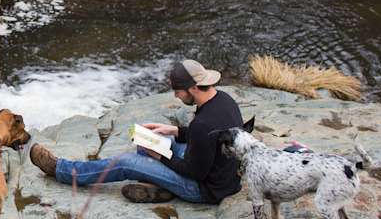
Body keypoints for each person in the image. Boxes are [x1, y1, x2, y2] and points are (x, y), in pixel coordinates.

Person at [28, 59, 244, 204]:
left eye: (178, 92)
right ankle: (161, 187)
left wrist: (160, 156)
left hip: (204, 189)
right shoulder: (224, 100)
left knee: (127, 163)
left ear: (194, 88)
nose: (177, 97)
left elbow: (194, 172)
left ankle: (62, 170)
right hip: (219, 173)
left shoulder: (203, 124)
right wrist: (176, 131)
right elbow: (210, 139)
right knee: (145, 143)